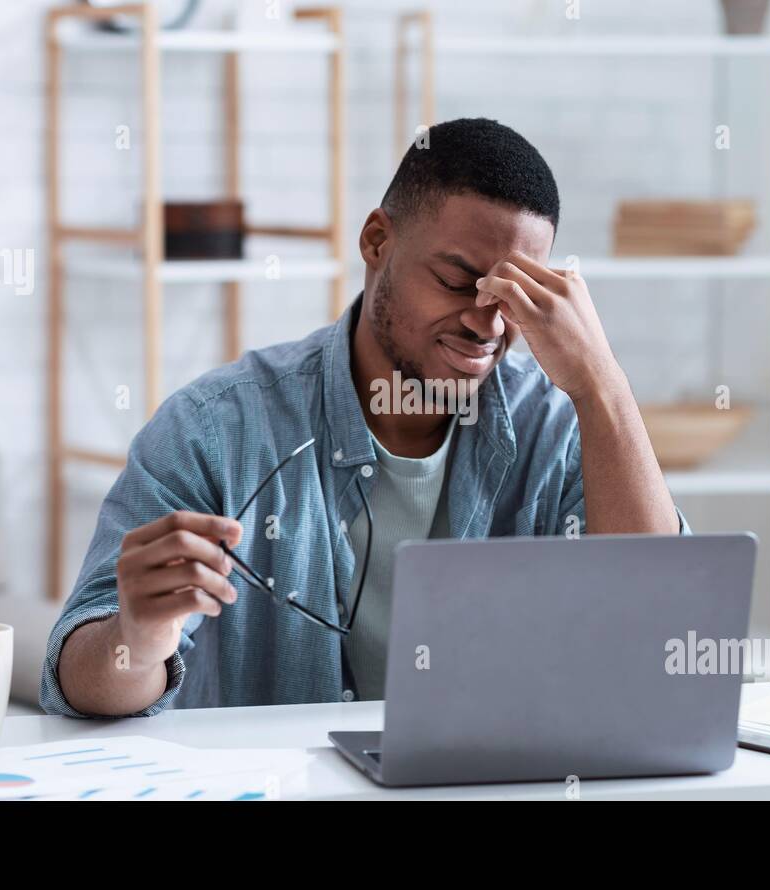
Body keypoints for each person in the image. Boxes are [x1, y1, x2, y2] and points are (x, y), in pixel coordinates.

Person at [42, 117, 688, 717]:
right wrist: (139, 634)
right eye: (459, 280)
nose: (486, 324)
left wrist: (603, 384)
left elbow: (664, 640)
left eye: (512, 296)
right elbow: (77, 687)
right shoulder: (217, 429)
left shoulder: (560, 422)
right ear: (377, 241)